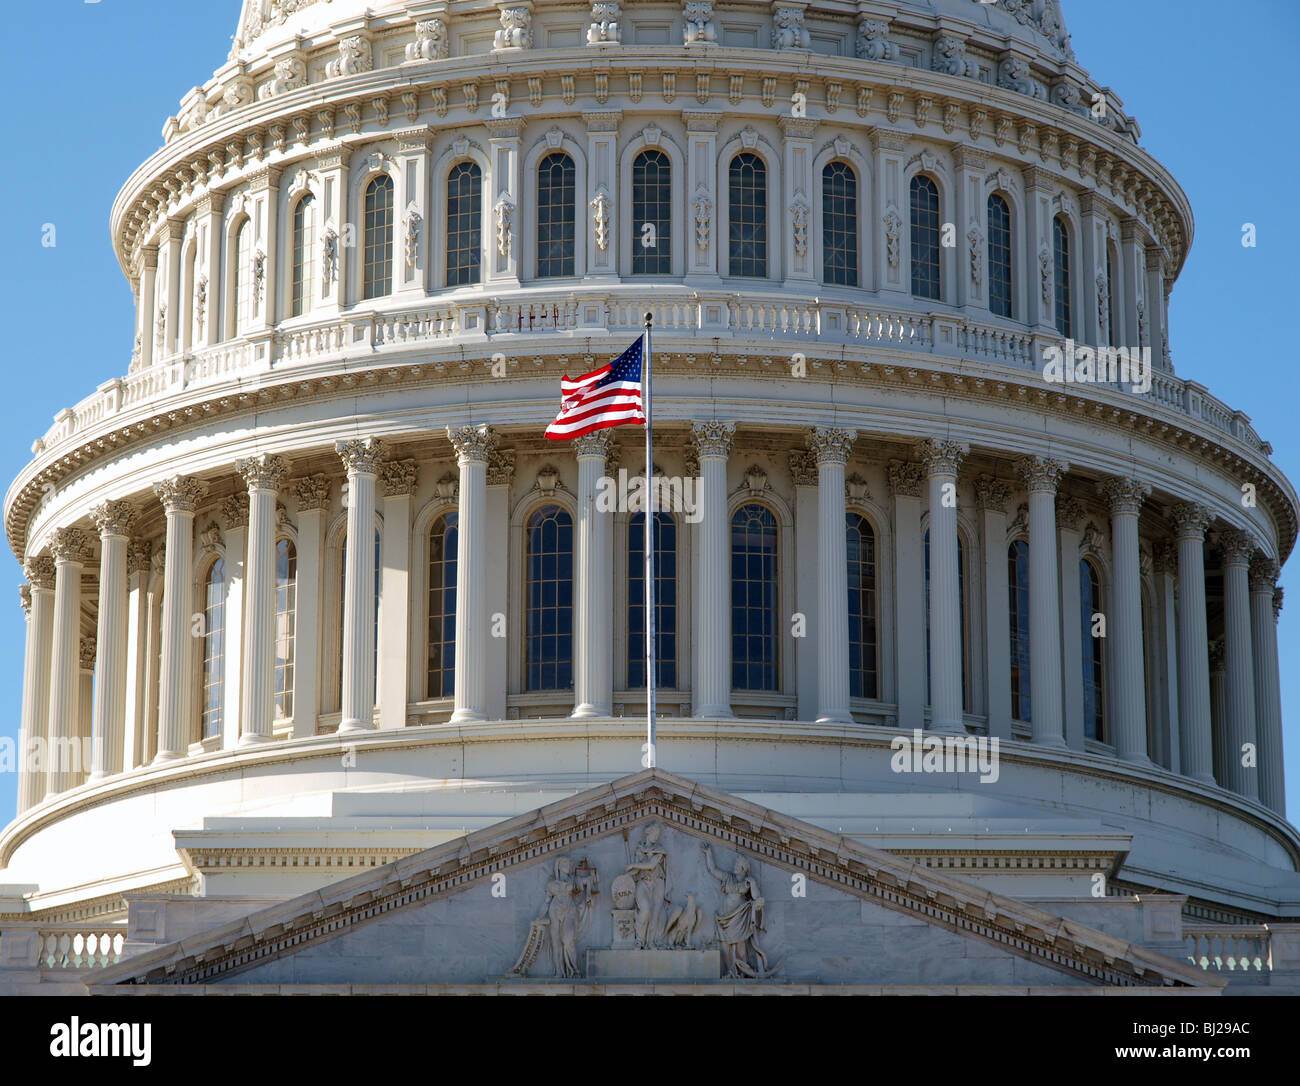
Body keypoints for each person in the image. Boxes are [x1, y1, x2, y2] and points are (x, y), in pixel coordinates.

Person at [701, 844, 770, 978]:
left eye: (737, 864)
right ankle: (731, 972)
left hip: (739, 917)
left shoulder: (748, 882)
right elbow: (713, 870)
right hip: (723, 918)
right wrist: (709, 853)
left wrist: (758, 898)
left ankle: (743, 972)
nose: (734, 866)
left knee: (740, 948)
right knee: (725, 948)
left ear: (743, 868)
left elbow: (757, 897)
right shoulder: (728, 877)